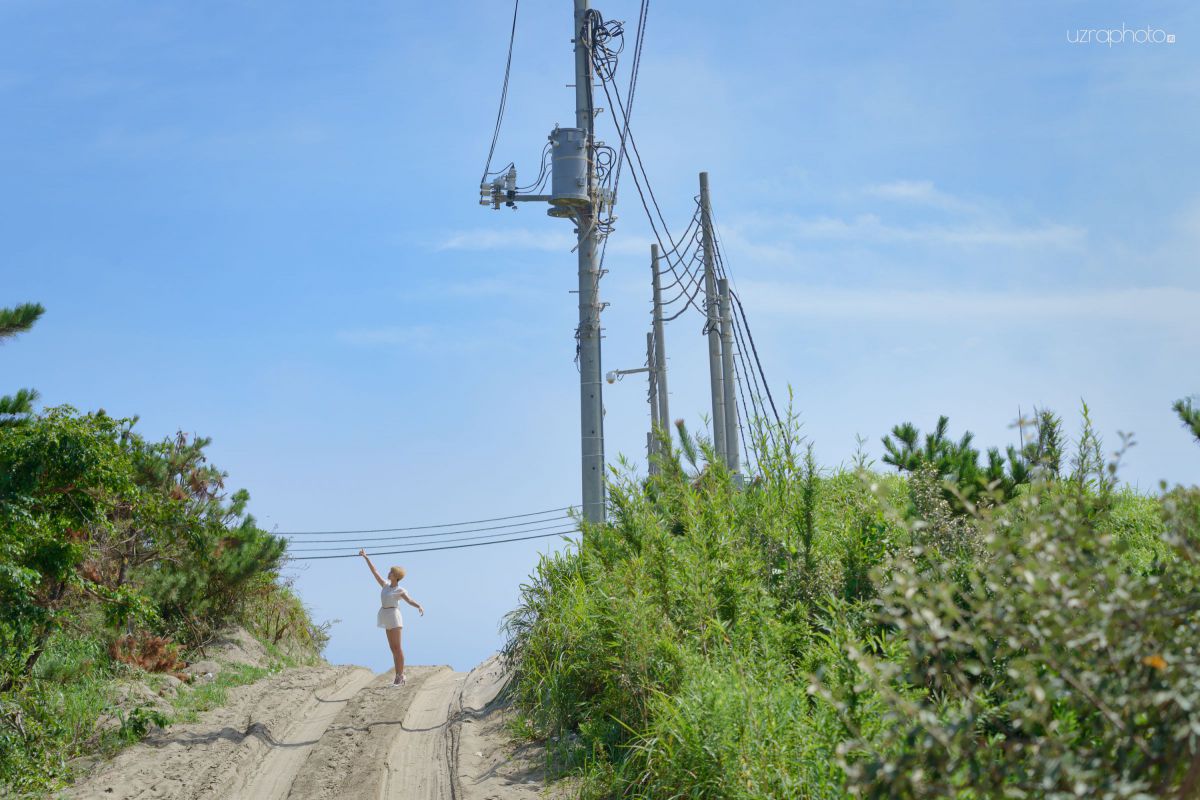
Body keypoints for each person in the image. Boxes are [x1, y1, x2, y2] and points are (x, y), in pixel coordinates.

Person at [359, 549, 424, 686]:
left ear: (396, 576)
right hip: (385, 615)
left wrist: (418, 605)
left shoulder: (399, 590)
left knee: (398, 647)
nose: (388, 573)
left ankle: (401, 675)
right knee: (392, 648)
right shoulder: (385, 585)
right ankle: (397, 675)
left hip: (394, 616)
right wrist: (366, 557)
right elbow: (374, 572)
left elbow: (409, 600)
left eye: (391, 572)